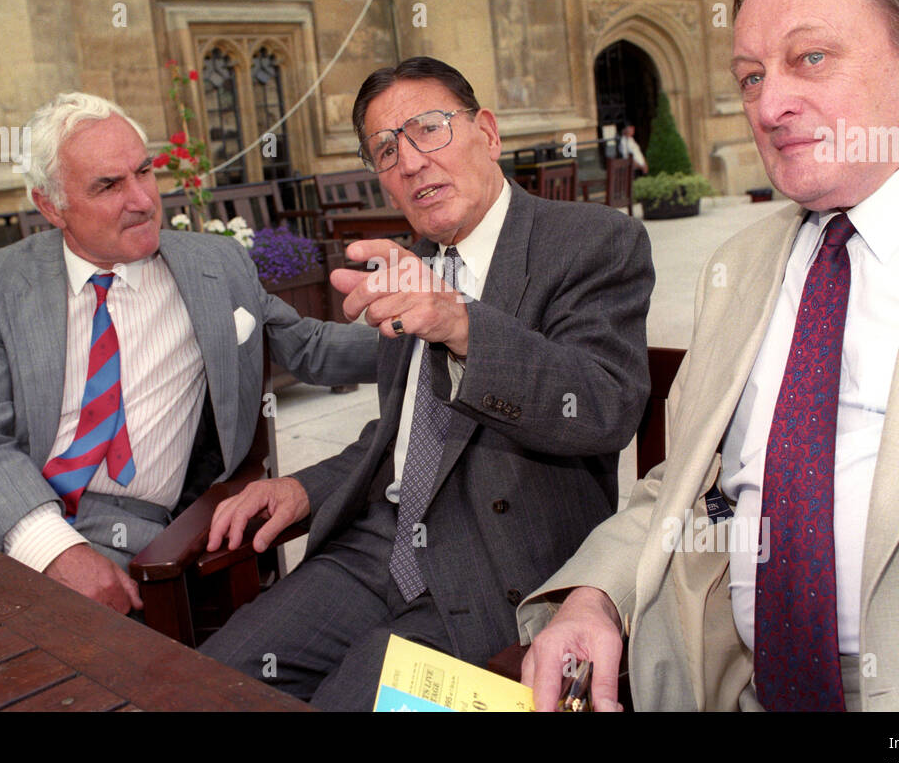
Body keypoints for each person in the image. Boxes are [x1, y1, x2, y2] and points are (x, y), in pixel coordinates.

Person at [519, 0, 899, 711]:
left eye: (810, 58)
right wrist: (593, 600)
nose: (769, 104)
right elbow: (684, 487)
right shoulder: (741, 264)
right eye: (751, 76)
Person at [200, 56, 654, 710]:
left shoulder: (589, 242)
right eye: (386, 150)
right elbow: (404, 438)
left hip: (491, 568)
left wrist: (461, 324)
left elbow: (603, 405)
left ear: (488, 133)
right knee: (205, 683)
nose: (410, 161)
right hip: (372, 549)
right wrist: (304, 487)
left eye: (428, 129)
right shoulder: (411, 263)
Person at [0, 93, 376, 613]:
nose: (142, 200)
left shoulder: (215, 268)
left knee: (26, 656)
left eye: (143, 172)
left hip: (116, 532)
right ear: (51, 206)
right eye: (109, 185)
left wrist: (435, 328)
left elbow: (312, 347)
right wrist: (50, 546)